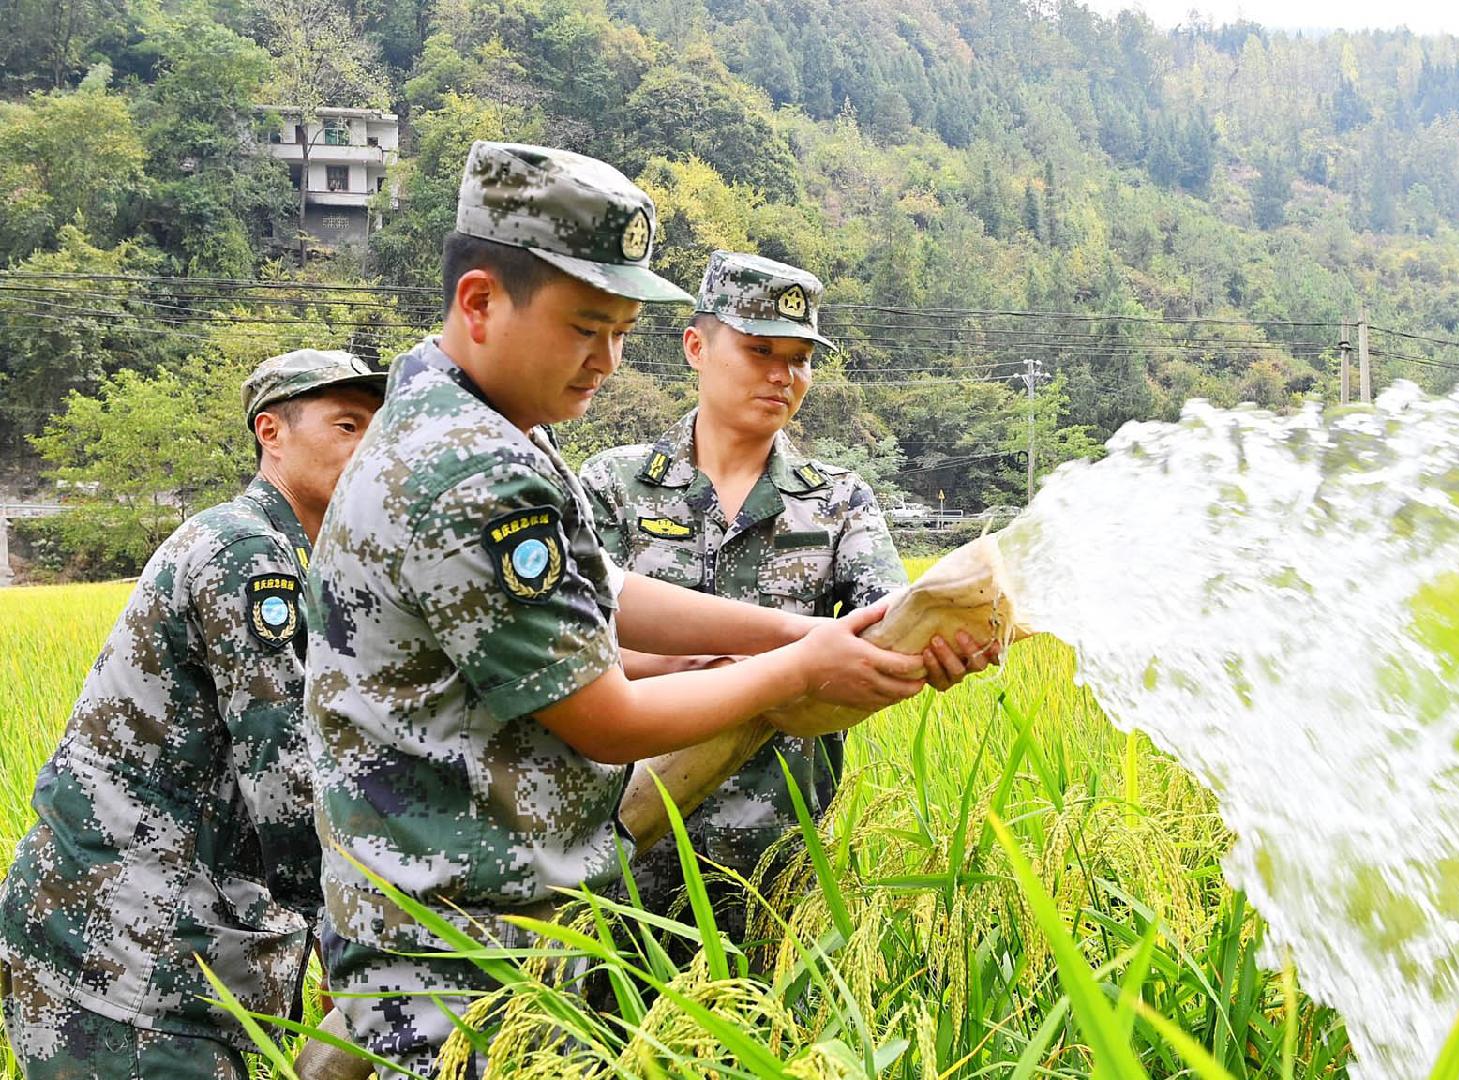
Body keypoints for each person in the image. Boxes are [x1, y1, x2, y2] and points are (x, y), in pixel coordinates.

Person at [301, 141, 976, 1077]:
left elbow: (607, 596)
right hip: (465, 952)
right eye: (586, 327)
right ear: (481, 301)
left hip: (518, 918)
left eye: (621, 330)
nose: (609, 361)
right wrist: (798, 668)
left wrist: (796, 634)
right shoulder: (480, 468)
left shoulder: (478, 432)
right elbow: (608, 717)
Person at [580, 251, 995, 935]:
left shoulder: (837, 501)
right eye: (759, 350)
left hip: (778, 865)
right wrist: (724, 667)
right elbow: (566, 649)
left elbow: (892, 623)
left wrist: (943, 643)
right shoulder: (613, 487)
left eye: (800, 358)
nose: (783, 375)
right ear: (696, 347)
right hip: (621, 851)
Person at [0, 349, 385, 1079]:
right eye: (345, 425)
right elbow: (290, 784)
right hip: (126, 957)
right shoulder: (248, 553)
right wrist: (361, 938)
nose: (367, 448)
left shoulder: (300, 557)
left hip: (126, 932)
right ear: (271, 432)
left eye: (377, 429)